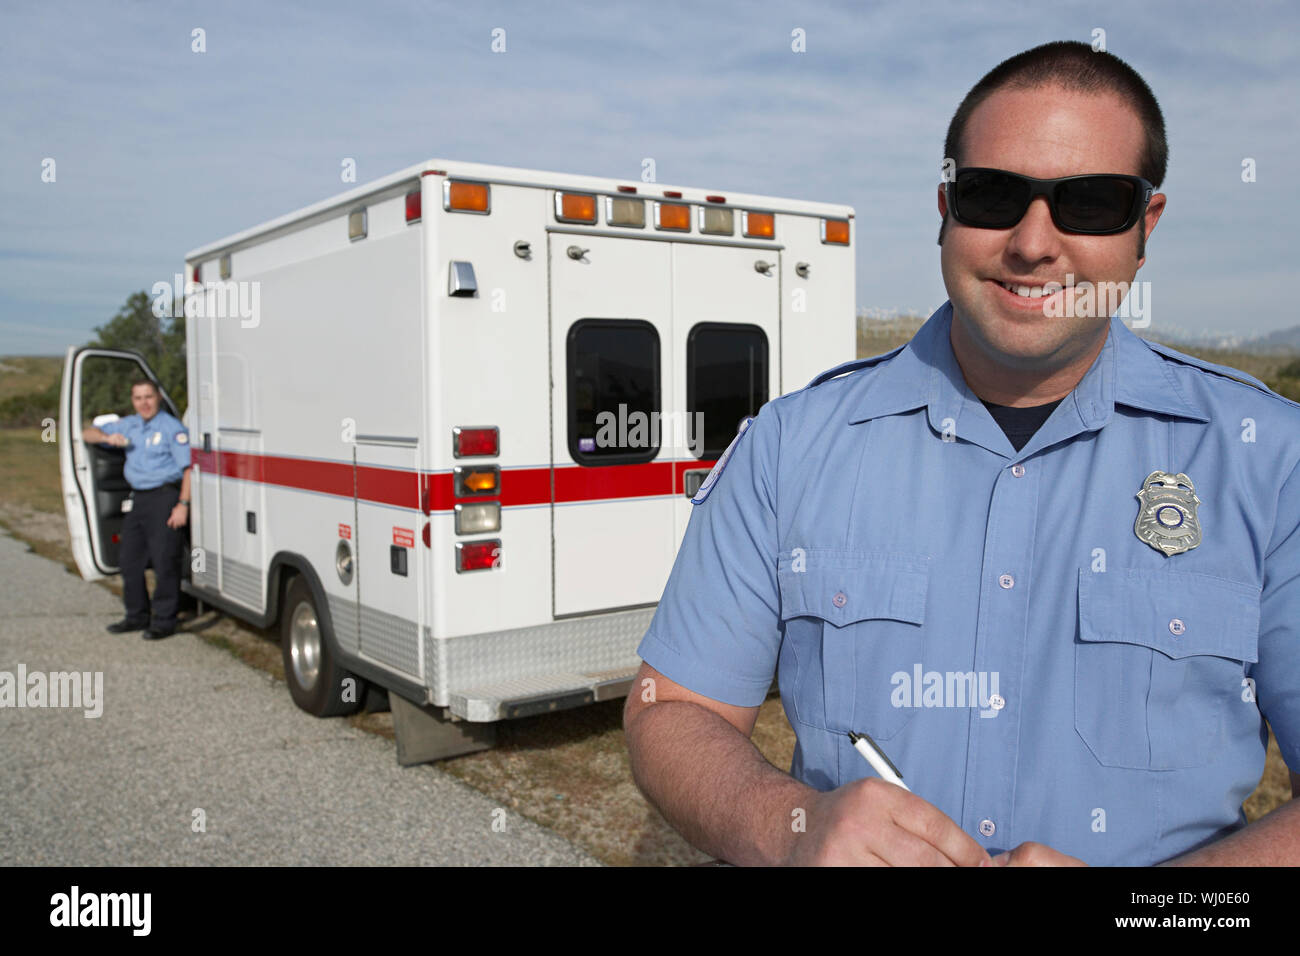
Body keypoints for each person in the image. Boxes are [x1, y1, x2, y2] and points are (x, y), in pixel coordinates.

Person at [624, 40, 1300, 866]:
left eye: (1090, 203)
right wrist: (786, 826)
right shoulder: (791, 446)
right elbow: (672, 711)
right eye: (993, 194)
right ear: (945, 207)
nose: (1033, 242)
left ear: (1144, 229)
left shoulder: (1269, 463)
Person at [82, 378, 193, 640]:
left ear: (158, 398)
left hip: (165, 497)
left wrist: (183, 505)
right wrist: (108, 437)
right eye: (138, 398)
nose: (144, 403)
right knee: (129, 561)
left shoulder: (171, 428)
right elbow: (87, 433)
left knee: (165, 561)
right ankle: (136, 616)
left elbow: (189, 469)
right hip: (139, 499)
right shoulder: (129, 425)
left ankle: (165, 621)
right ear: (132, 401)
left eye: (148, 397)